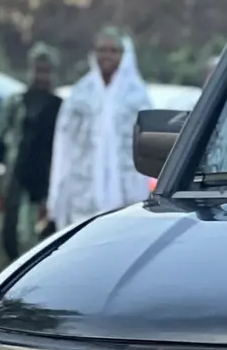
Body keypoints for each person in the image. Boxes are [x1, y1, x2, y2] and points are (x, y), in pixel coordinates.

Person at [46, 26, 153, 231]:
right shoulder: (80, 95)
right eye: (102, 50)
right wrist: (56, 197)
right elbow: (63, 146)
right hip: (82, 196)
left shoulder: (137, 97)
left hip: (127, 198)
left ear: (125, 55)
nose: (106, 56)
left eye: (113, 50)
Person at [0, 43, 63, 280]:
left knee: (32, 241)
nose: (41, 76)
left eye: (46, 70)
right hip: (14, 180)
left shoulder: (59, 107)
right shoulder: (16, 102)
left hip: (44, 183)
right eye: (38, 70)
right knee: (5, 237)